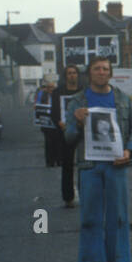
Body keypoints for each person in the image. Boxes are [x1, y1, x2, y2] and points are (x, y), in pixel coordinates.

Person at [63, 55, 132, 262]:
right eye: (96, 68)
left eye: (105, 69)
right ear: (90, 73)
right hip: (90, 166)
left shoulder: (123, 100)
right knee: (90, 218)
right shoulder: (77, 101)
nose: (101, 72)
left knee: (118, 216)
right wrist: (77, 123)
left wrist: (129, 150)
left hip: (116, 165)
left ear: (110, 73)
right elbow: (68, 138)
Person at [52, 64, 83, 207]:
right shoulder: (58, 92)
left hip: (82, 131)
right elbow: (53, 112)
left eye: (74, 73)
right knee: (67, 164)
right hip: (65, 132)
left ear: (78, 75)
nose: (72, 75)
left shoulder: (84, 91)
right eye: (69, 73)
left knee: (85, 165)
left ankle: (86, 194)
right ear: (65, 76)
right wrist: (59, 122)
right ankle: (68, 197)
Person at [35, 76, 59, 167]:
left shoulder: (58, 96)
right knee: (48, 143)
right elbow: (38, 106)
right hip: (46, 123)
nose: (50, 89)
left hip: (56, 122)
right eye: (49, 87)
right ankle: (49, 162)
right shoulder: (42, 95)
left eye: (52, 87)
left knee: (57, 142)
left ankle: (58, 160)